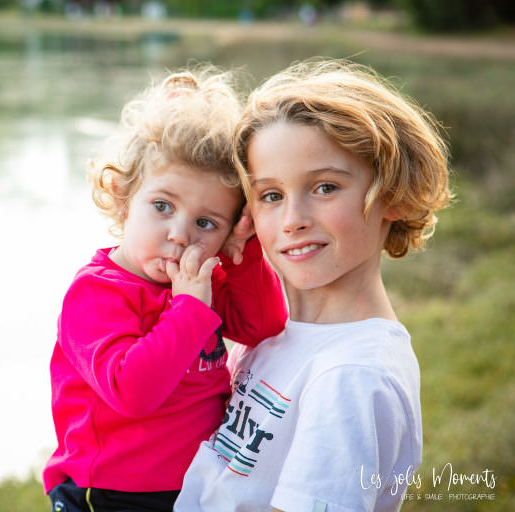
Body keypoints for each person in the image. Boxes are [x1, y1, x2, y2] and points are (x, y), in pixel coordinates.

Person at [175, 58, 452, 512]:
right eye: (271, 195)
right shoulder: (273, 335)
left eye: (325, 188)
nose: (293, 221)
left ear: (394, 196)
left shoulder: (351, 375)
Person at [43, 68, 289, 512]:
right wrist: (189, 309)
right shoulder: (96, 294)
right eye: (162, 206)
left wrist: (244, 254)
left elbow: (263, 325)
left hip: (195, 483)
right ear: (123, 197)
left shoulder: (201, 282)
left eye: (206, 223)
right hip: (114, 492)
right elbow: (132, 392)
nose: (179, 234)